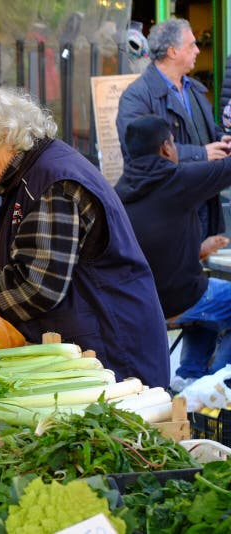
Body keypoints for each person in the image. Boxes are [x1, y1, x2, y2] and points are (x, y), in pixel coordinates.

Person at [0, 87, 170, 388]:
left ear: (4, 137)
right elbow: (11, 244)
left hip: (114, 352)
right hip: (92, 345)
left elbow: (34, 288)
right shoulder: (29, 176)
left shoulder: (54, 184)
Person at [116, 18, 231, 384]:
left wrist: (220, 143)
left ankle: (190, 378)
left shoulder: (194, 89)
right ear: (171, 51)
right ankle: (219, 382)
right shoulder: (138, 96)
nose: (198, 50)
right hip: (173, 291)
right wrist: (201, 155)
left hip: (188, 234)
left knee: (203, 293)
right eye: (192, 44)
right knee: (207, 296)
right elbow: (137, 145)